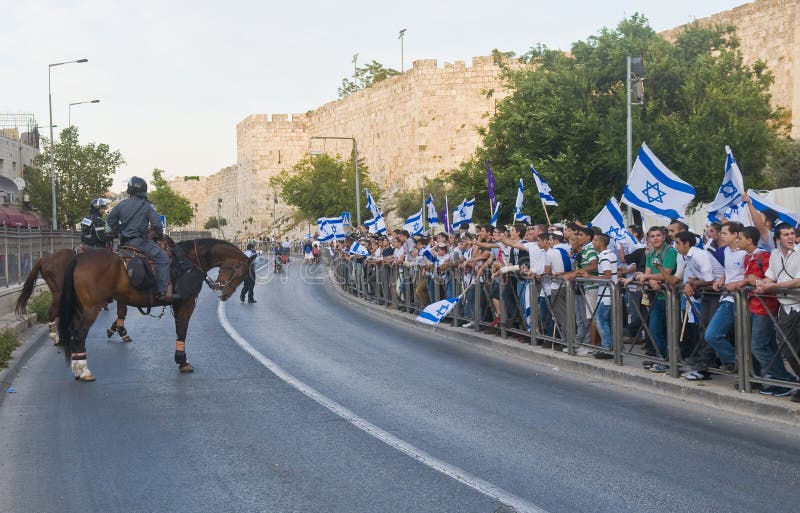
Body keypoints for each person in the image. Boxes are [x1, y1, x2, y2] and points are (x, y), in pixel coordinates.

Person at [106, 176, 172, 301]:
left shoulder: (121, 205)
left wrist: (119, 230)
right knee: (163, 258)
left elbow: (110, 220)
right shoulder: (147, 206)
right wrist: (160, 235)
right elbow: (157, 224)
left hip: (124, 243)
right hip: (141, 243)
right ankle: (161, 292)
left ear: (130, 189)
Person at [756, 223, 800, 403]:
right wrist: (762, 283)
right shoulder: (774, 255)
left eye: (792, 234)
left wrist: (771, 286)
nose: (790, 237)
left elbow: (798, 281)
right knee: (788, 347)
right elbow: (771, 276)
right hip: (786, 307)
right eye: (785, 235)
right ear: (777, 239)